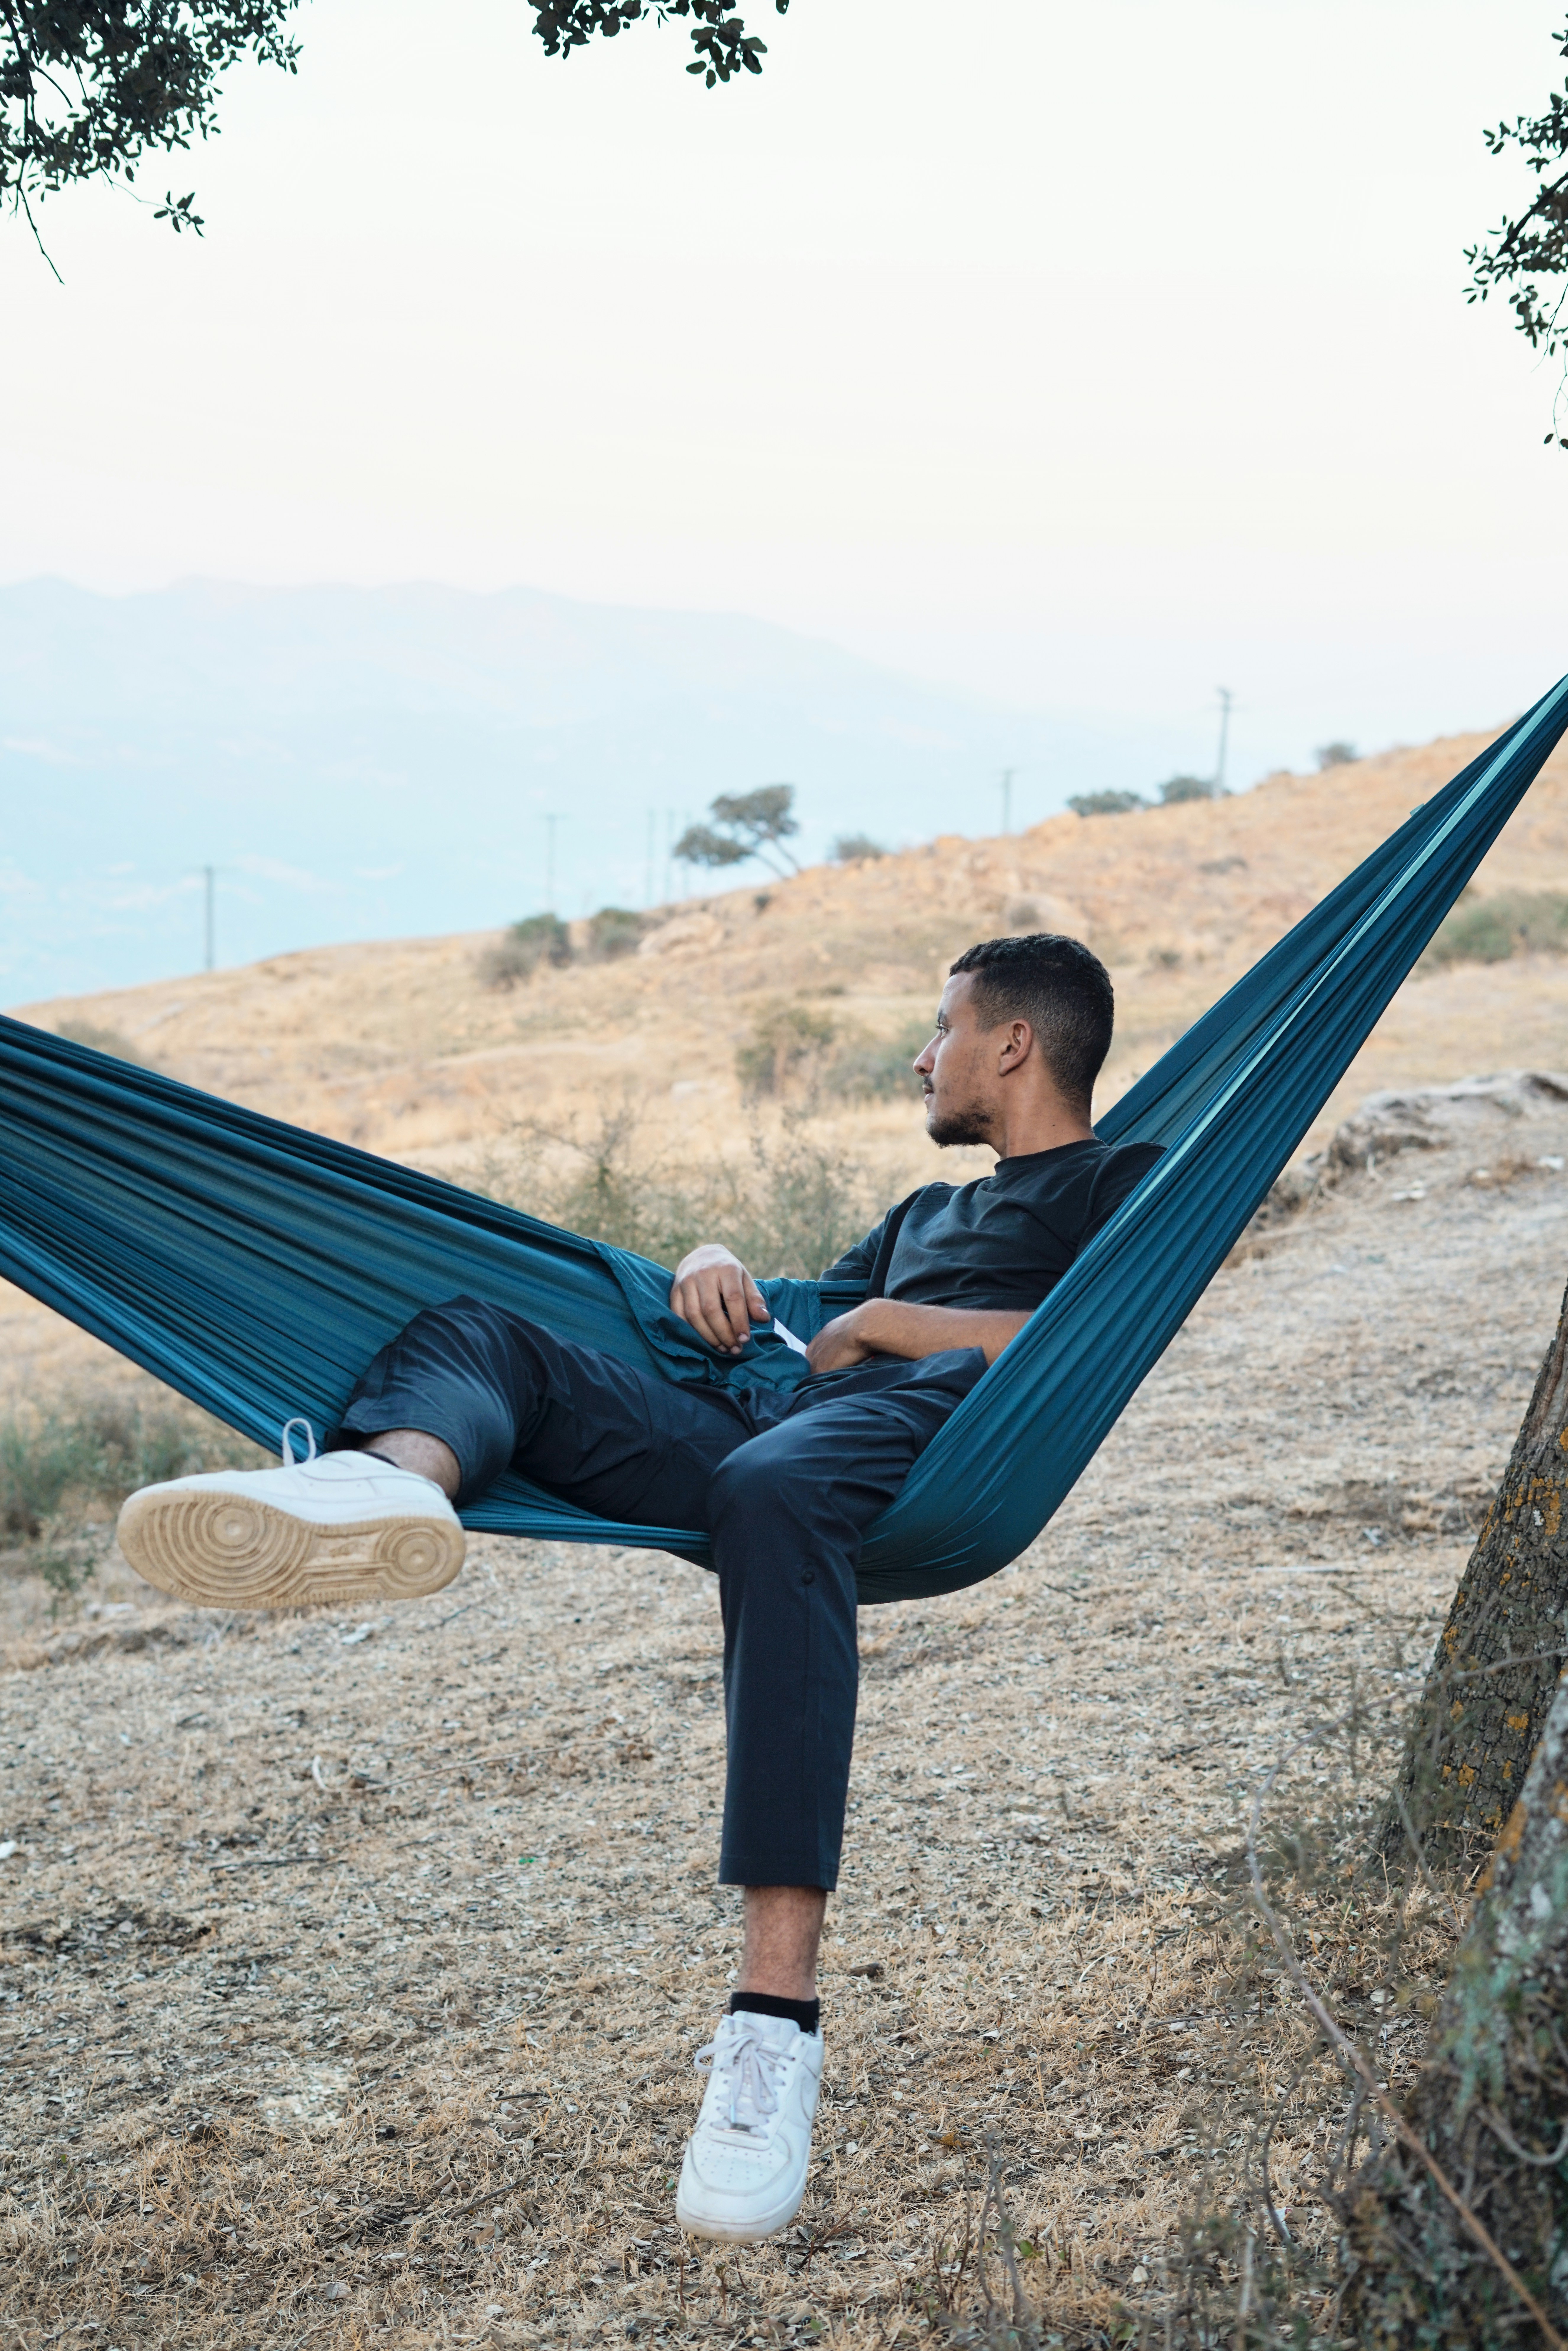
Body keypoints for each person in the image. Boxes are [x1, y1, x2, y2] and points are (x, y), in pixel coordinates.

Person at [116, 932, 1160, 2245]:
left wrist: (894, 1327)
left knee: (773, 1488)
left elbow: (1087, 1334)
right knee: (484, 1326)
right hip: (774, 1426)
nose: (922, 1051)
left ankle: (771, 2029)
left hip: (931, 1433)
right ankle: (382, 1481)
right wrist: (712, 1261)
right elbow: (800, 1316)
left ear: (1013, 1043)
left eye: (941, 1025)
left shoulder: (1127, 1180)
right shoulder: (924, 1214)